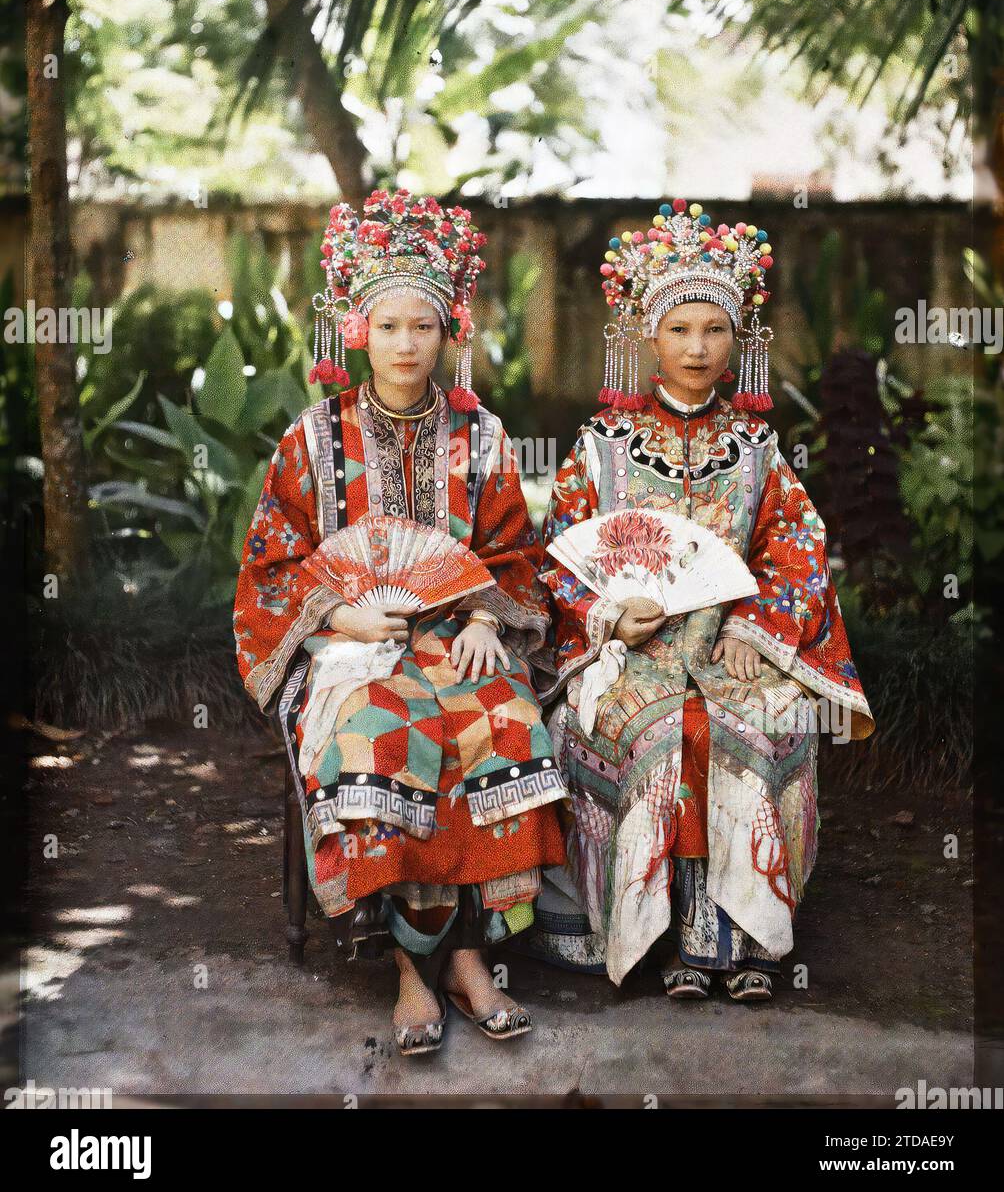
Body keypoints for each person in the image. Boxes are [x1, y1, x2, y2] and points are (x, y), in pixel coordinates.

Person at [234, 189, 567, 1054]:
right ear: (358, 331)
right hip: (350, 647)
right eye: (388, 326)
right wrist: (340, 613)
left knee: (500, 721)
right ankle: (410, 969)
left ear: (448, 331)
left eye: (423, 326)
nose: (406, 344)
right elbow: (269, 567)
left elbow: (513, 553)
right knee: (382, 732)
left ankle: (469, 958)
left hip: (455, 636)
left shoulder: (482, 437)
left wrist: (487, 615)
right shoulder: (312, 440)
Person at [531, 198, 875, 1000]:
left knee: (762, 718)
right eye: (680, 329)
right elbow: (556, 562)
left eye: (715, 330)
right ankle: (661, 940)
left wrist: (754, 629)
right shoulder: (601, 449)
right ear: (646, 336)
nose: (697, 348)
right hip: (626, 653)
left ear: (739, 341)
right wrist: (608, 616)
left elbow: (796, 550)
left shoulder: (758, 450)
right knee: (657, 727)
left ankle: (743, 937)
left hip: (729, 649)